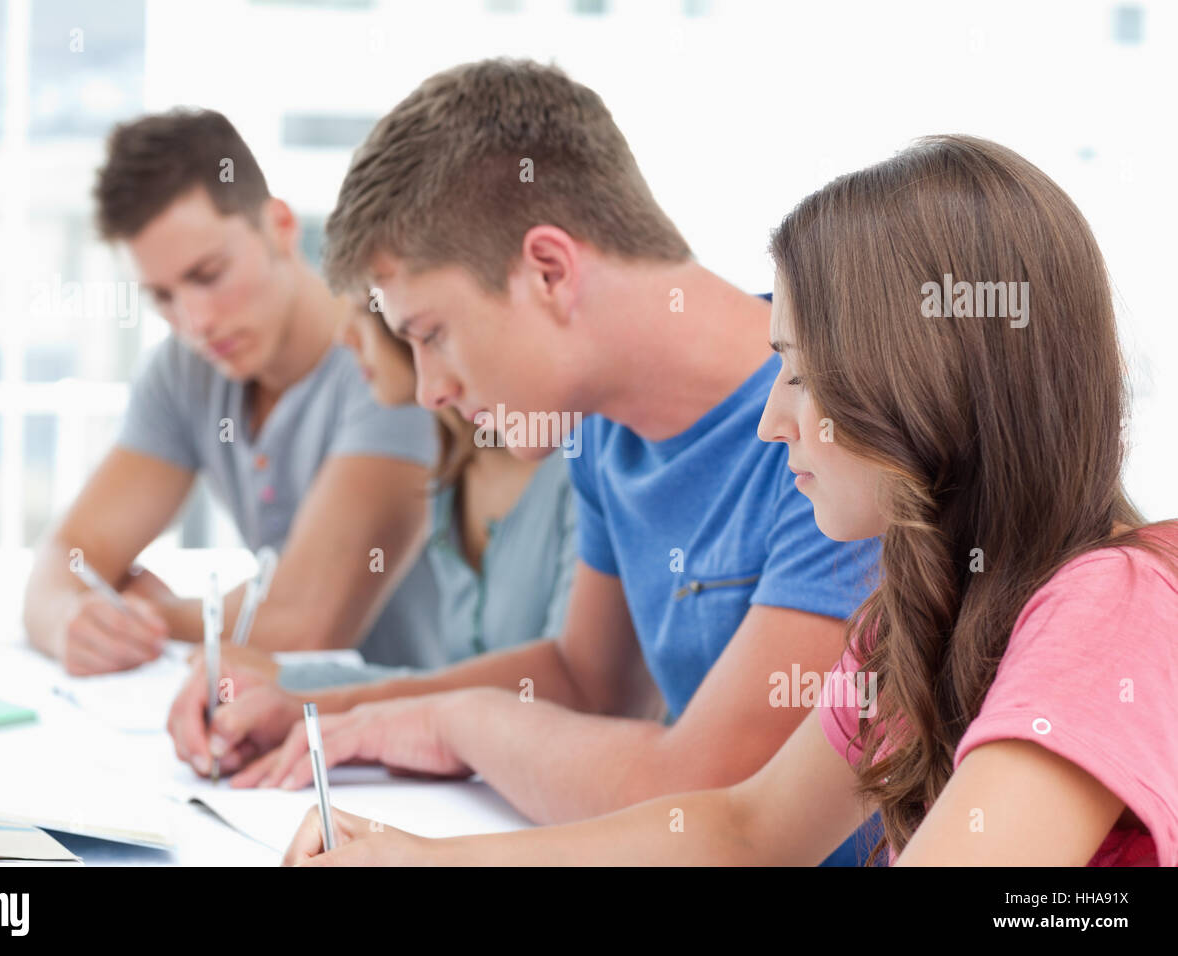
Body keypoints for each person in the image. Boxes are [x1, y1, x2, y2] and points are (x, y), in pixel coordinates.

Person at [282, 134, 1178, 866]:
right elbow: (745, 831)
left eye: (801, 372)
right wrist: (427, 861)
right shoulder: (911, 620)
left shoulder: (1108, 605)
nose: (772, 422)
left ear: (921, 383)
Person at [169, 60, 882, 865]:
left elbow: (709, 793)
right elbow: (581, 679)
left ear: (549, 270)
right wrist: (322, 707)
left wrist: (449, 722)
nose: (429, 389)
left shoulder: (840, 437)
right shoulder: (603, 432)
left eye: (431, 333)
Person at [23, 108, 437, 678]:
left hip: (419, 736)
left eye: (208, 274)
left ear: (281, 227)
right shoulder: (184, 373)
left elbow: (303, 627)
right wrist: (71, 620)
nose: (195, 322)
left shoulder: (388, 365)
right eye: (162, 297)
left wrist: (154, 611)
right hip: (283, 727)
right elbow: (67, 557)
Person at [227, 293, 577, 707]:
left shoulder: (576, 463)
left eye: (365, 310)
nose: (343, 338)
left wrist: (301, 685)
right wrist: (285, 680)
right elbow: (459, 688)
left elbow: (568, 694)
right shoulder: (451, 474)